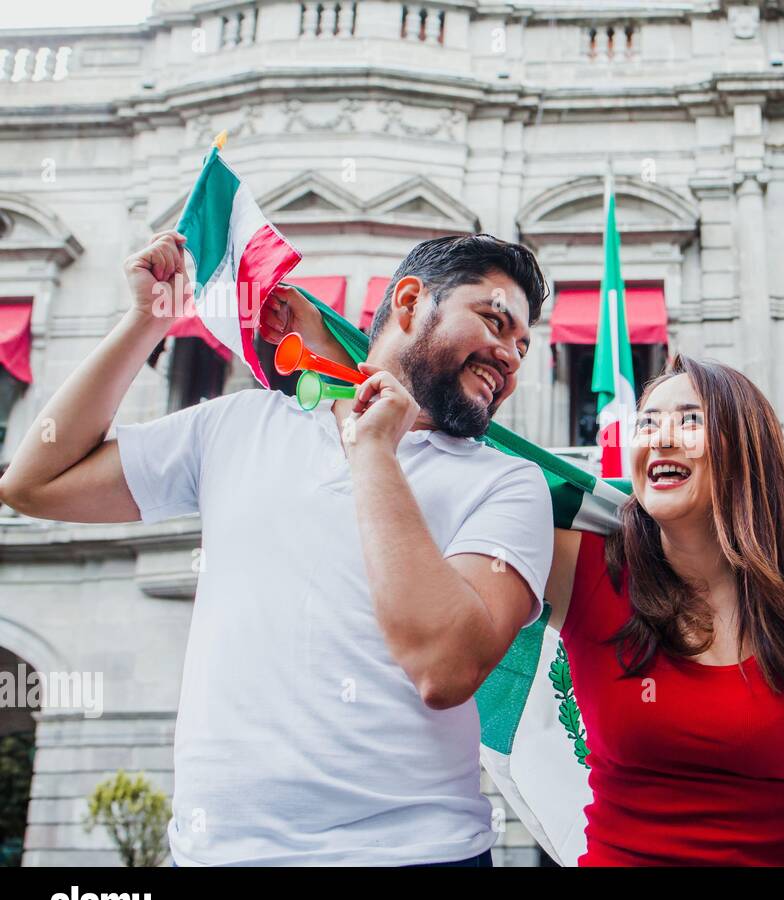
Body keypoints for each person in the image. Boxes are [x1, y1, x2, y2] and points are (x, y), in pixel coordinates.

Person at [0, 232, 554, 866]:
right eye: (494, 321)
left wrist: (373, 453)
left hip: (415, 857)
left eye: (523, 345)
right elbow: (34, 482)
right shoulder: (239, 424)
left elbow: (446, 668)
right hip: (212, 857)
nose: (511, 355)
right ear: (409, 302)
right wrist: (146, 321)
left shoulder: (510, 484)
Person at [547, 355, 784, 865]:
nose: (661, 438)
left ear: (748, 450)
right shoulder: (581, 566)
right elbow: (466, 487)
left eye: (690, 420)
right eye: (648, 422)